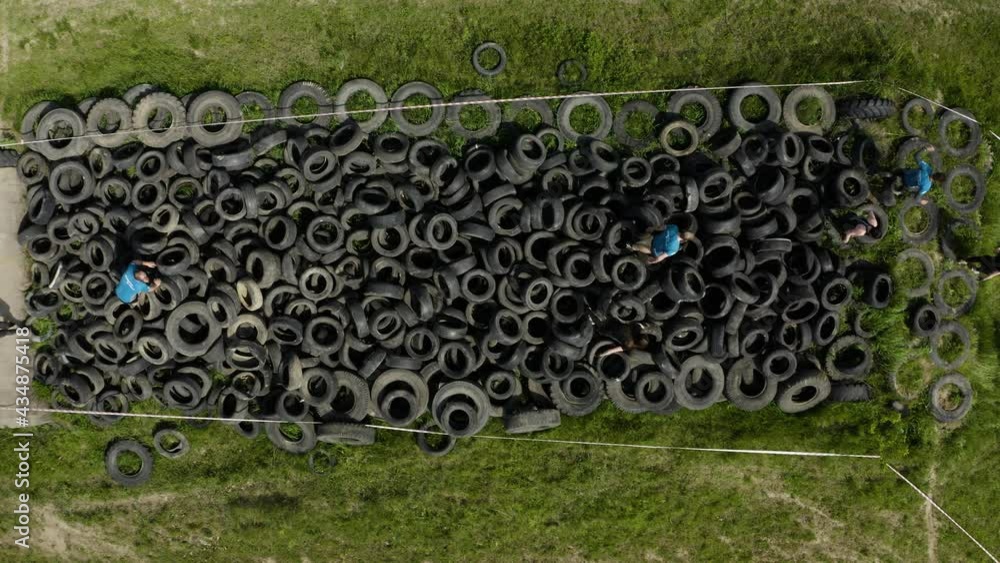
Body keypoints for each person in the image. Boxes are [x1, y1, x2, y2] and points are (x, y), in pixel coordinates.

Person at [629, 224, 696, 265]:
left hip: (653, 238)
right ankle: (631, 247)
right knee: (638, 247)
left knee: (641, 238)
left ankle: (632, 244)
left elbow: (661, 227)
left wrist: (652, 228)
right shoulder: (675, 248)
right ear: (684, 240)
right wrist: (653, 261)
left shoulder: (674, 227)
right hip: (653, 250)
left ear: (683, 230)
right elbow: (661, 257)